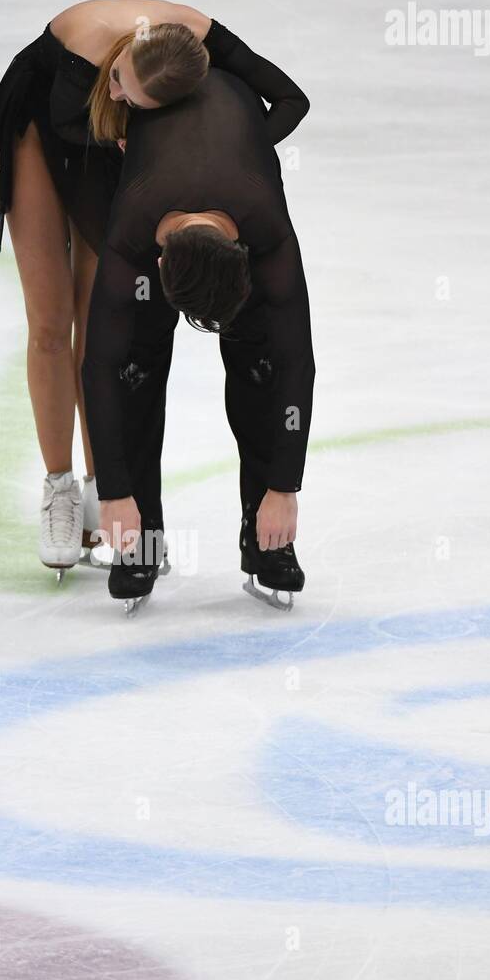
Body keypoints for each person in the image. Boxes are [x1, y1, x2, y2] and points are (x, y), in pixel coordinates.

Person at [0, 0, 310, 577]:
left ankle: (102, 481)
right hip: (55, 123)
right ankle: (60, 489)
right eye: (124, 86)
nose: (126, 95)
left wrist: (248, 143)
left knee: (102, 318)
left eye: (139, 99)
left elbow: (290, 100)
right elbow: (69, 122)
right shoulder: (86, 55)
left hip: (125, 148)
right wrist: (123, 130)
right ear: (122, 62)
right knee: (53, 322)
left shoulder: (197, 45)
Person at [81, 67, 315, 613]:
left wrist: (284, 487)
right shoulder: (131, 230)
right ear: (156, 263)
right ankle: (142, 542)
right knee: (134, 371)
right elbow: (100, 367)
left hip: (230, 150)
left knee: (263, 369)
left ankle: (267, 540)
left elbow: (295, 362)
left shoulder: (267, 228)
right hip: (154, 159)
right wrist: (116, 493)